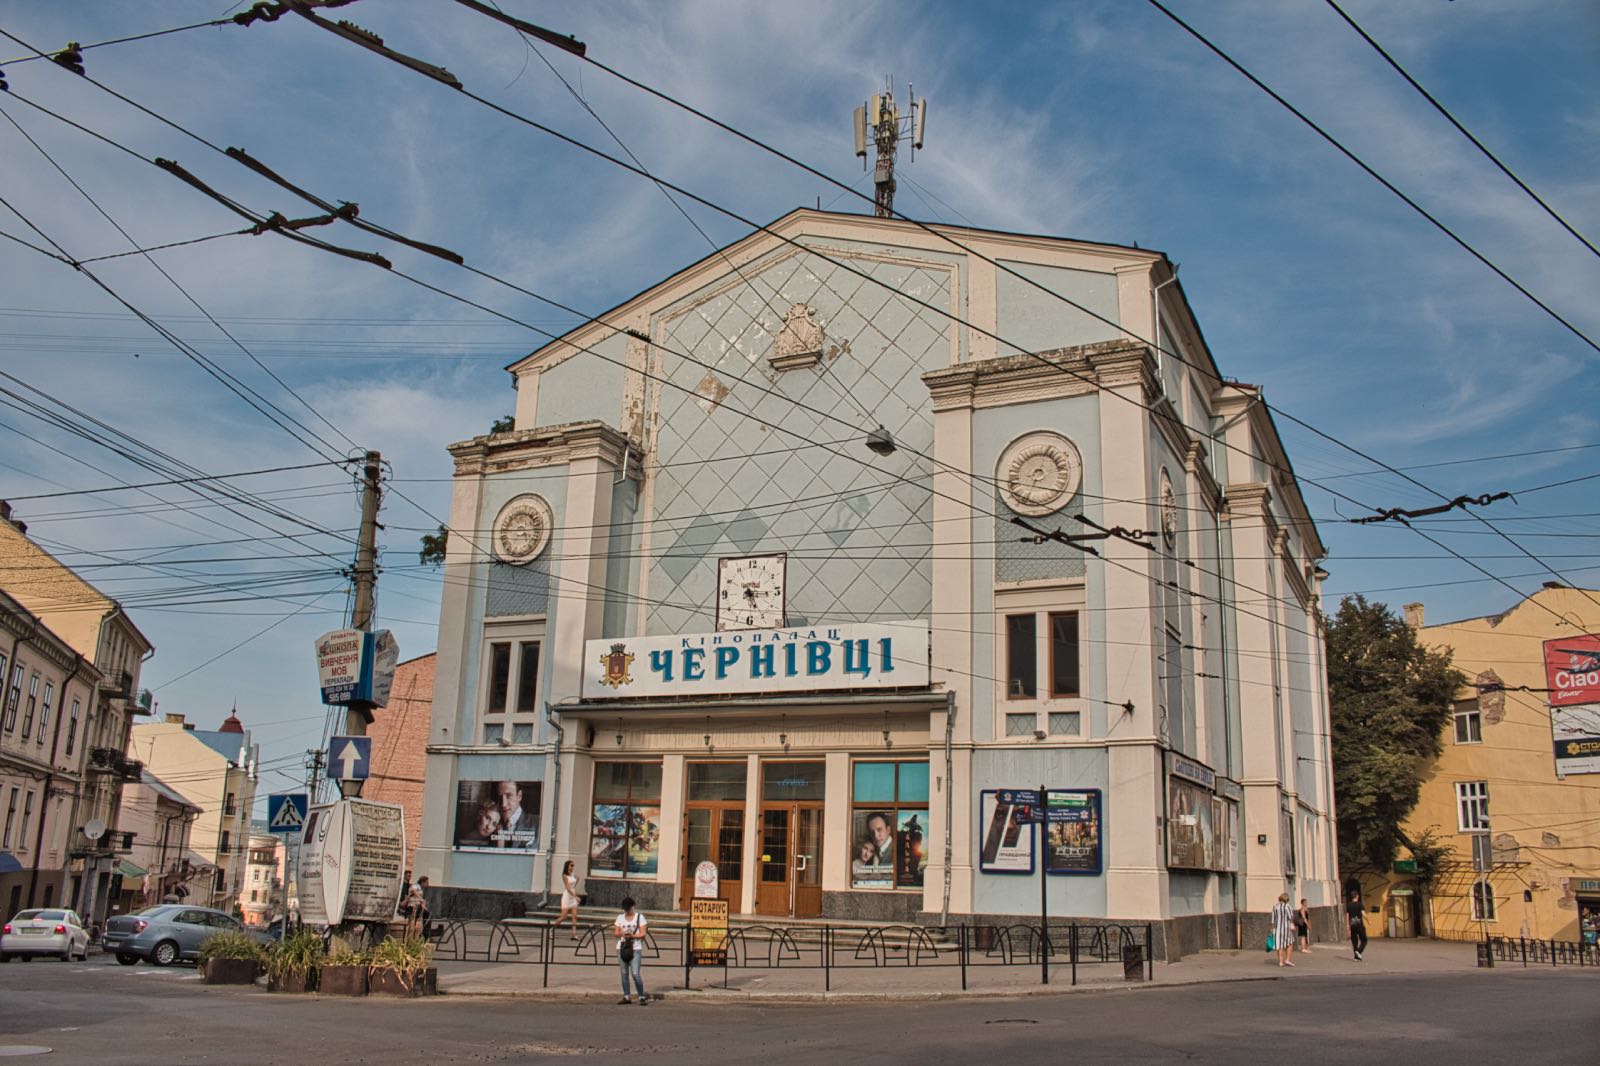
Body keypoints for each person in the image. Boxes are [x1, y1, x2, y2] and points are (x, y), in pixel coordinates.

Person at [613, 897, 648, 1006]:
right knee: (624, 973)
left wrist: (632, 935)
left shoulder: (640, 917)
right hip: (622, 947)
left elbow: (643, 933)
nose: (627, 911)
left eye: (628, 909)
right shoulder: (619, 917)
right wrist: (622, 934)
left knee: (635, 974)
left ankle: (642, 996)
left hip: (635, 948)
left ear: (633, 906)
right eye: (625, 909)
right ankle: (626, 996)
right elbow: (615, 933)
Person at [495, 781, 538, 849]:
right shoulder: (493, 823)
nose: (503, 804)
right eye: (500, 797)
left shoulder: (538, 824)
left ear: (519, 796)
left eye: (509, 796)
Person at [1270, 892, 1296, 967]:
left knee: (1279, 945)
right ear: (1286, 899)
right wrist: (1292, 924)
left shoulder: (1275, 906)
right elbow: (1291, 917)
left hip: (1277, 928)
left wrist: (1272, 928)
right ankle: (1287, 959)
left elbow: (1273, 918)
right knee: (1290, 942)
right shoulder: (1287, 906)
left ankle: (1281, 962)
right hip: (1286, 928)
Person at [558, 860, 581, 937]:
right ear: (567, 866)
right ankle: (552, 929)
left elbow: (578, 878)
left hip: (573, 895)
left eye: (573, 865)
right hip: (567, 896)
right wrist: (576, 896)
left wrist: (574, 886)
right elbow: (567, 888)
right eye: (571, 865)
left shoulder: (573, 875)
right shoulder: (564, 875)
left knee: (574, 916)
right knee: (564, 916)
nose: (572, 867)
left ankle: (574, 934)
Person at [1347, 889, 1368, 960]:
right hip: (1359, 925)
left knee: (1354, 941)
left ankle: (1356, 957)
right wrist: (1368, 921)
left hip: (1352, 925)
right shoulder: (1360, 904)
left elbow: (1347, 916)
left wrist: (1348, 926)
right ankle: (1358, 952)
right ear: (1357, 896)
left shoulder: (1349, 905)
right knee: (1364, 940)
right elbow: (1363, 914)